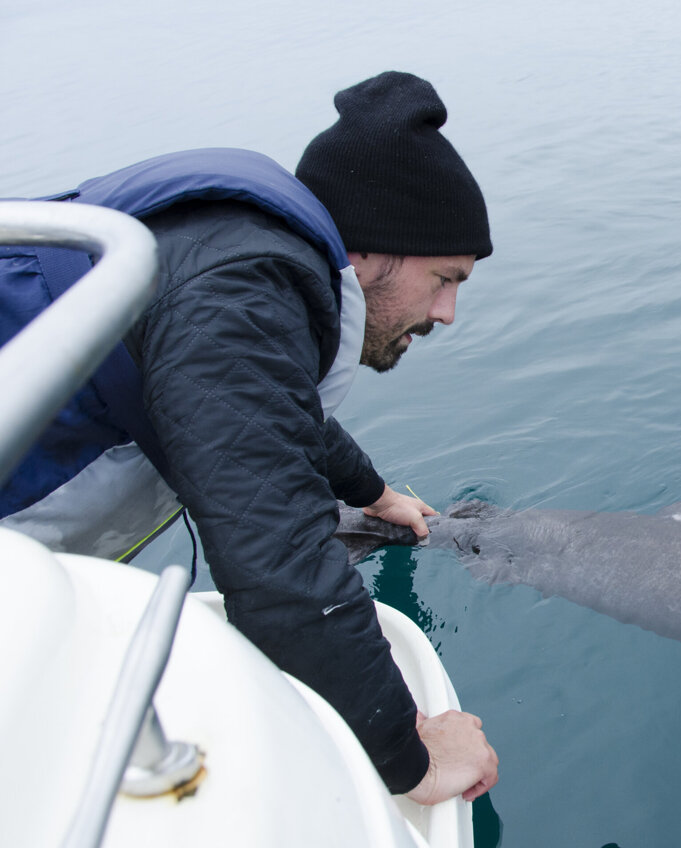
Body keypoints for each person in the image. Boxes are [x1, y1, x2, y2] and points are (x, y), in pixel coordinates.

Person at [0, 72, 498, 804]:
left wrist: (372, 492)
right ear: (371, 251)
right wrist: (414, 758)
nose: (448, 311)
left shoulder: (231, 248)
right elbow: (279, 570)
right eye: (445, 278)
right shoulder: (238, 286)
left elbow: (265, 410)